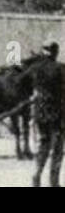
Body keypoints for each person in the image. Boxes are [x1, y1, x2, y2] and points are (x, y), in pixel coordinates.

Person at [29, 47, 62, 187]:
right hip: (57, 114)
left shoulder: (36, 69)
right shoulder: (61, 69)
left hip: (40, 114)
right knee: (58, 148)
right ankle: (54, 182)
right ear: (55, 53)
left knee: (43, 144)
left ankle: (36, 175)